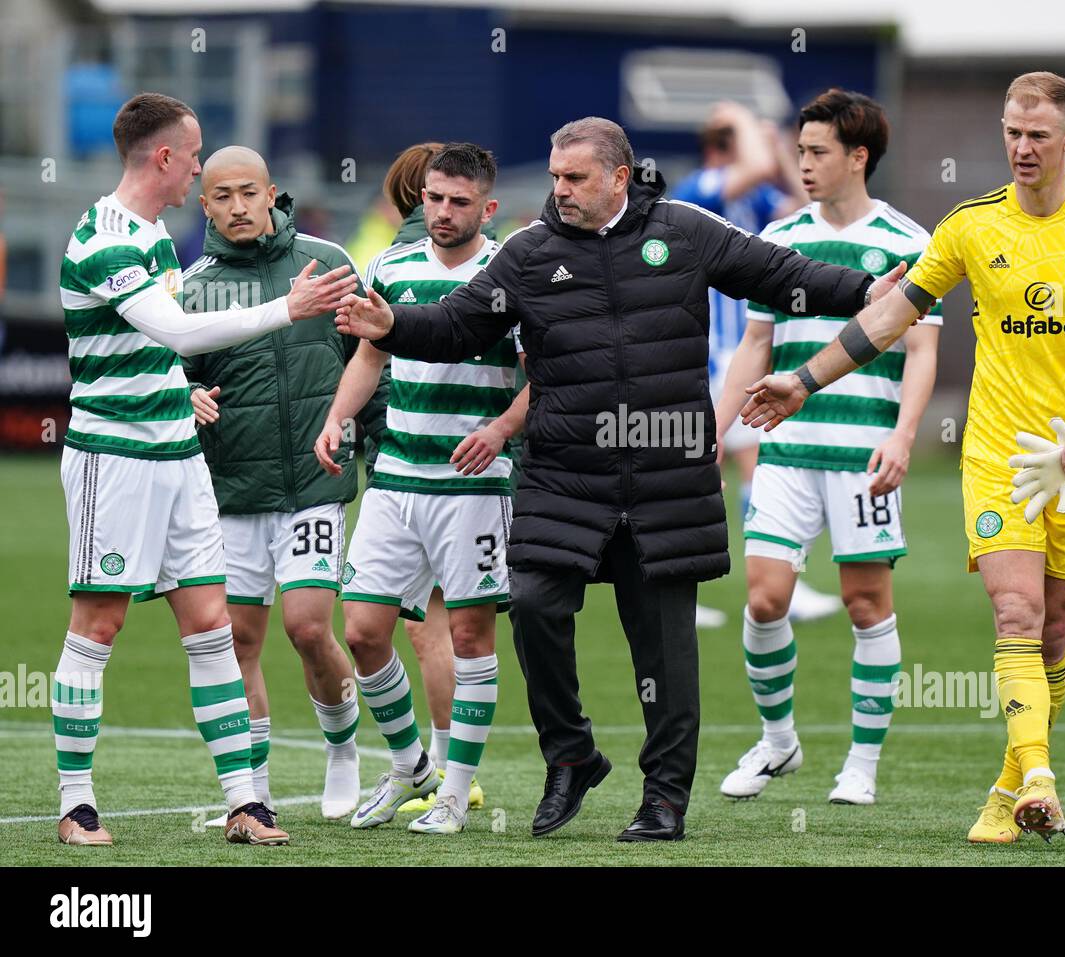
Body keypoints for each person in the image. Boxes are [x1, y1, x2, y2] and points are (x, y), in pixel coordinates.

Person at [335, 116, 886, 841]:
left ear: (620, 177)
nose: (559, 191)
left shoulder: (685, 231)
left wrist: (873, 289)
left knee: (663, 647)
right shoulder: (531, 253)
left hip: (667, 474)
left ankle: (663, 799)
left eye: (574, 179)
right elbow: (459, 325)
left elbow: (781, 277)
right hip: (566, 472)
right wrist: (393, 324)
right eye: (556, 178)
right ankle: (571, 753)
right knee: (532, 606)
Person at [740, 72, 1065, 843]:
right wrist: (804, 381)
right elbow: (886, 321)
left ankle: (1010, 788)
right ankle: (1042, 774)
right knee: (1016, 611)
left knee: (1056, 632)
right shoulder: (970, 225)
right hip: (998, 454)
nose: (1021, 147)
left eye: (1038, 134)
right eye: (1012, 131)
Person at [53, 92, 357, 846]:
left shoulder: (155, 236)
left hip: (178, 458)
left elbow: (159, 352)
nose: (200, 168)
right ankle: (75, 802)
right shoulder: (104, 238)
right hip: (114, 458)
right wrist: (286, 309)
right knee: (99, 624)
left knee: (213, 626)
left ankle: (244, 802)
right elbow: (179, 331)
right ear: (164, 158)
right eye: (193, 157)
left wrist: (177, 392)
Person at [713, 89, 940, 805]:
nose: (803, 164)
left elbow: (923, 352)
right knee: (763, 598)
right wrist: (709, 430)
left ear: (858, 157)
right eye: (801, 150)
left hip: (863, 449)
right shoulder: (779, 238)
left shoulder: (911, 241)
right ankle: (778, 742)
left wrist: (903, 437)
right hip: (786, 448)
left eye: (817, 152)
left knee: (865, 604)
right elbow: (756, 343)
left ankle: (862, 765)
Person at [317, 142, 528, 835]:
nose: (441, 212)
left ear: (486, 208)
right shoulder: (391, 265)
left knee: (469, 635)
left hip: (473, 484)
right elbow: (371, 355)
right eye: (433, 198)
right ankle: (412, 766)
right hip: (396, 478)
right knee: (363, 627)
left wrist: (500, 429)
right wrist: (338, 416)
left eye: (458, 201)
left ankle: (455, 791)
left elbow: (544, 377)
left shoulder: (509, 273)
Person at [180, 146, 384, 827]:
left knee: (306, 626)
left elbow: (371, 358)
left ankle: (343, 745)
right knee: (237, 639)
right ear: (202, 204)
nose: (237, 206)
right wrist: (186, 395)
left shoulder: (326, 263)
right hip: (231, 488)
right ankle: (253, 792)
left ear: (272, 193)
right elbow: (166, 374)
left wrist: (377, 453)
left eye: (248, 192)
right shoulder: (193, 287)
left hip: (312, 481)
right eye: (222, 196)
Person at [675, 102, 837, 625]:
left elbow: (799, 202)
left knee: (751, 466)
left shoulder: (757, 195)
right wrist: (751, 125)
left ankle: (783, 575)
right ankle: (680, 585)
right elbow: (760, 169)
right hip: (706, 353)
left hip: (739, 353)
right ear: (719, 147)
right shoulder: (700, 187)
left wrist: (778, 150)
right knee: (697, 468)